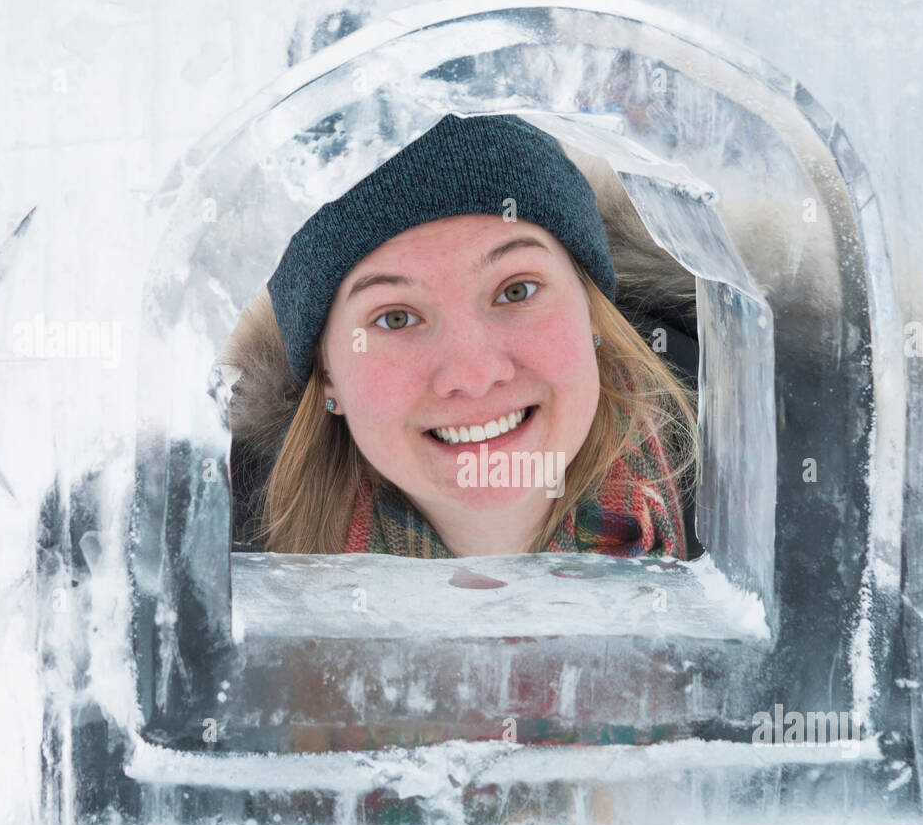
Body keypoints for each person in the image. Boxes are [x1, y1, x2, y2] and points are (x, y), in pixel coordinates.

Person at [223, 112, 704, 560]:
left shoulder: (758, 487)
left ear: (592, 309)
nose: (474, 375)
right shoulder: (206, 562)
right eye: (395, 318)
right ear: (328, 376)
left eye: (516, 291)